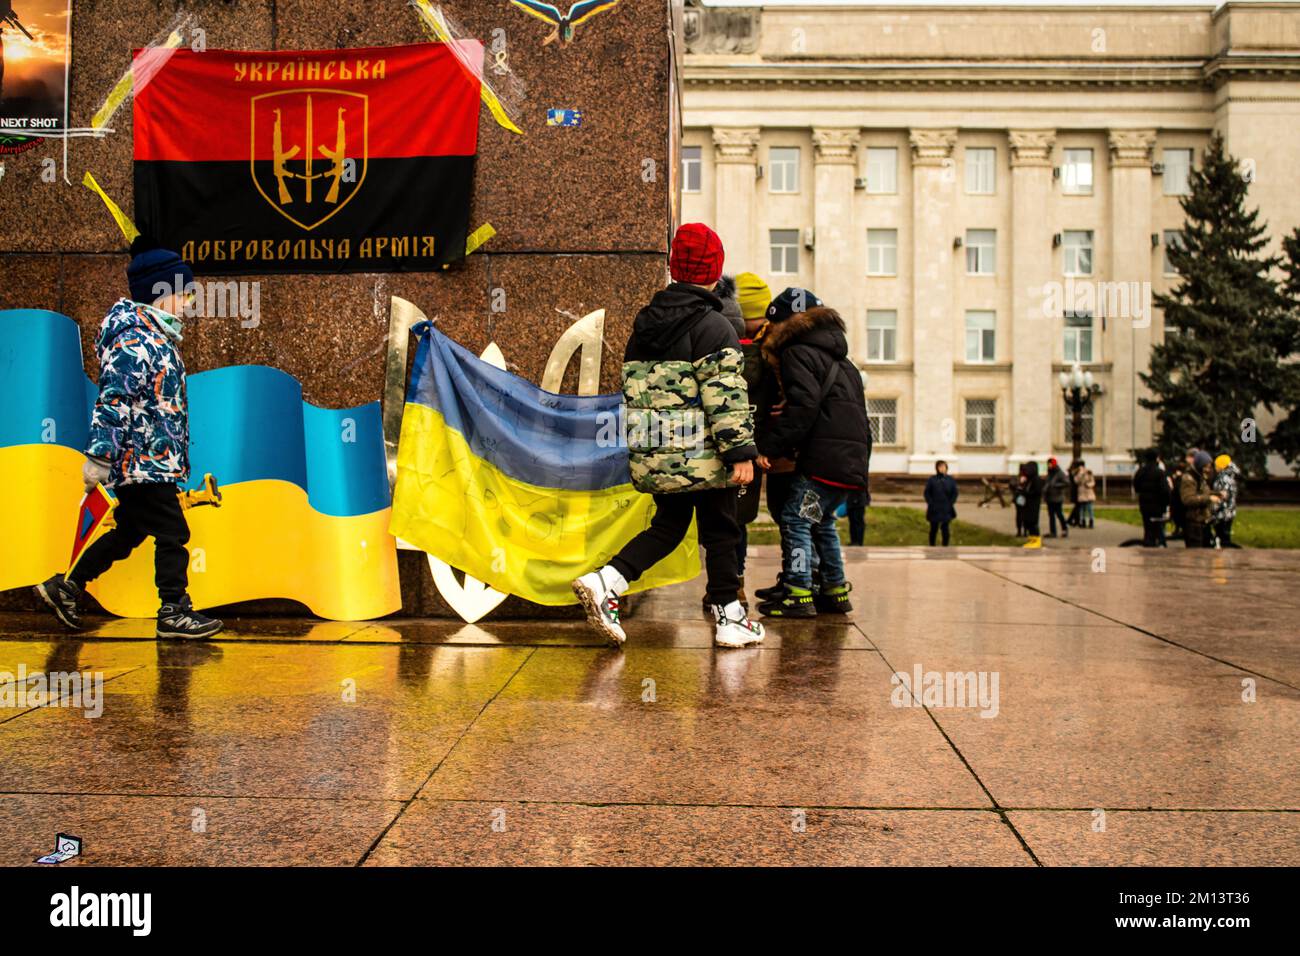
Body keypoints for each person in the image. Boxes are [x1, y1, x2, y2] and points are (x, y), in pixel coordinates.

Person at [572, 223, 765, 648]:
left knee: (669, 527)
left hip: (658, 452)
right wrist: (741, 452)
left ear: (674, 268)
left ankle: (605, 581)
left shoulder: (645, 325)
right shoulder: (715, 326)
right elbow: (725, 397)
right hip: (704, 455)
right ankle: (730, 616)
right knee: (721, 531)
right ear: (715, 271)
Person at [35, 237, 223, 639]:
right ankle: (174, 610)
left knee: (128, 533)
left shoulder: (158, 338)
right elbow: (113, 401)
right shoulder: (135, 340)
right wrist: (100, 458)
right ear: (160, 294)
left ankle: (67, 585)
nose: (189, 302)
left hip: (151, 462)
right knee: (174, 533)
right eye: (182, 293)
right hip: (140, 464)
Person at [753, 289, 871, 617]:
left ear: (785, 324)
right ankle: (834, 589)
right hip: (849, 461)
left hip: (821, 460)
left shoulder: (798, 354)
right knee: (822, 522)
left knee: (796, 519)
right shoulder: (843, 361)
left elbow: (804, 407)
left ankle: (799, 590)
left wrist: (770, 448)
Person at [1178, 449, 1220, 549]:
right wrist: (1209, 499)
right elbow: (1188, 499)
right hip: (1194, 522)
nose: (1208, 470)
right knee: (1196, 553)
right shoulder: (1189, 478)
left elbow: (1203, 492)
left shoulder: (1200, 477)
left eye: (1209, 467)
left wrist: (1217, 494)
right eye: (1205, 466)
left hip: (1202, 521)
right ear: (1200, 465)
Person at [1132, 449, 1169, 547]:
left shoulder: (1140, 472)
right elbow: (1165, 490)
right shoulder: (1160, 473)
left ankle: (1148, 545)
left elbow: (1136, 486)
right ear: (1156, 458)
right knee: (1158, 528)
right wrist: (1166, 504)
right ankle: (1158, 545)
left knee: (1147, 528)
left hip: (1144, 505)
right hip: (1158, 506)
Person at [924, 460, 959, 546]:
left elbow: (955, 493)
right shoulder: (932, 480)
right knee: (933, 528)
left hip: (946, 508)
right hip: (934, 508)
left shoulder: (950, 480)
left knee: (945, 528)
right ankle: (932, 546)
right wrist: (930, 503)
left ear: (946, 468)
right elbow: (927, 493)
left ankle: (945, 546)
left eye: (944, 466)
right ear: (937, 468)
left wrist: (951, 503)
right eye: (940, 467)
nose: (942, 468)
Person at [1211, 453, 1241, 548]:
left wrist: (1213, 511)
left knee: (1223, 540)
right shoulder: (1230, 477)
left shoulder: (1223, 479)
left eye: (1216, 465)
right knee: (1224, 538)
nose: (1214, 468)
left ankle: (1236, 553)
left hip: (1222, 514)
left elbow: (1221, 497)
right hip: (1229, 512)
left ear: (1221, 466)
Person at [1044, 457, 1071, 538]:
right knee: (1051, 515)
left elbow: (1067, 482)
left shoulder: (1059, 473)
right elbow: (1047, 483)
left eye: (1050, 464)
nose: (1049, 465)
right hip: (1050, 497)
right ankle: (1053, 532)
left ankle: (1064, 528)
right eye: (1048, 464)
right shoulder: (1049, 473)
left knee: (1059, 514)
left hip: (1057, 497)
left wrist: (1056, 486)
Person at [1020, 461, 1044, 539]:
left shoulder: (1036, 479)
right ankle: (1031, 539)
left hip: (1033, 504)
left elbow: (1036, 492)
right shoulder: (1029, 479)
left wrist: (1027, 493)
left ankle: (1036, 540)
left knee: (1033, 523)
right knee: (1028, 523)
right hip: (1028, 504)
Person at [1075, 462, 1096, 529]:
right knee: (1082, 509)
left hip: (1088, 492)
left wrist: (1088, 485)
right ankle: (1083, 521)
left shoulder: (1089, 473)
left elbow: (1092, 481)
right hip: (1081, 493)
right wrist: (1081, 474)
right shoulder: (1077, 474)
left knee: (1090, 508)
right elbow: (1077, 481)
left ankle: (1091, 521)